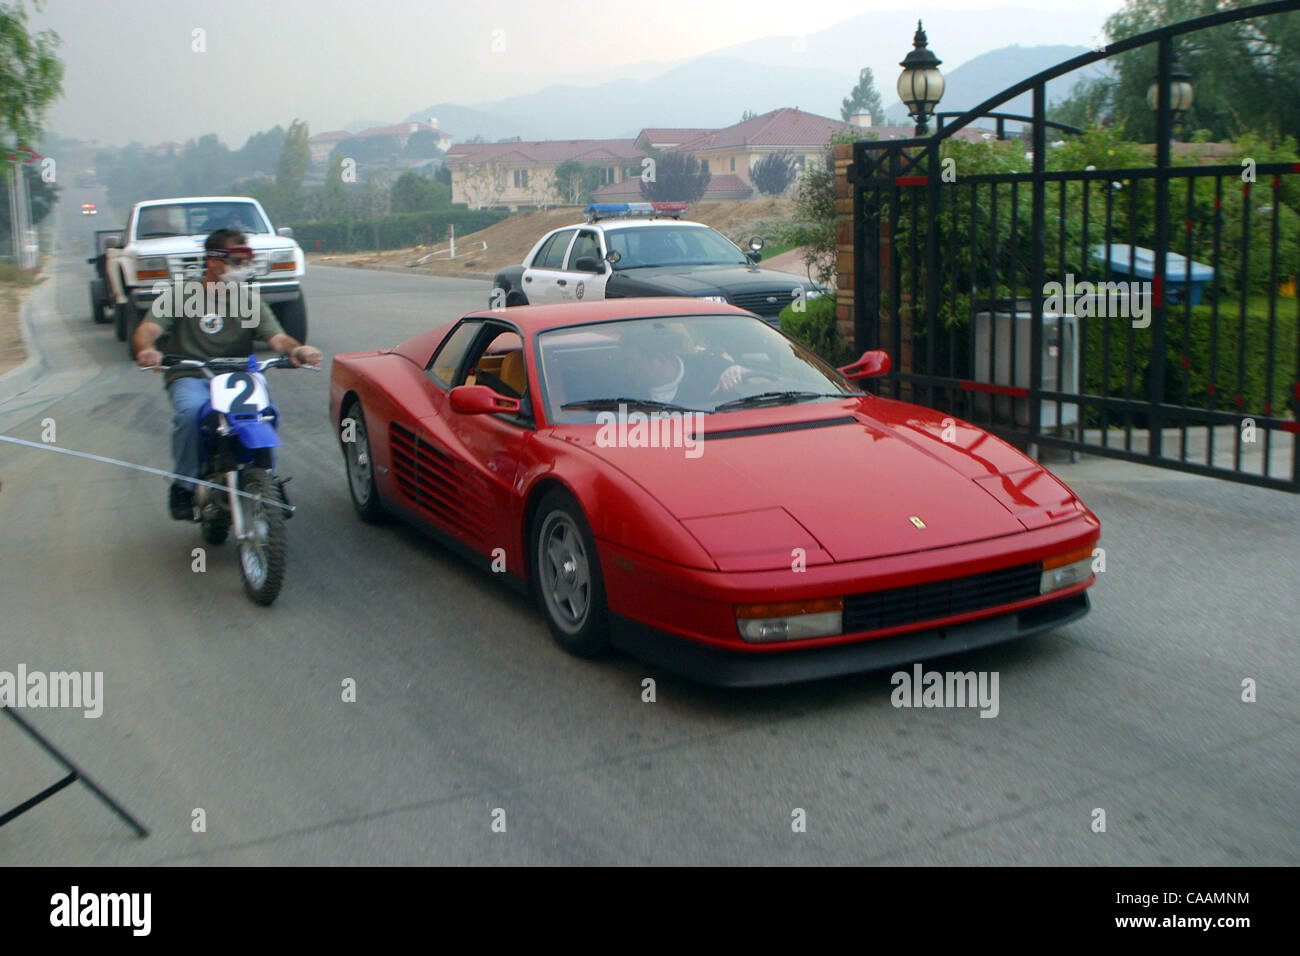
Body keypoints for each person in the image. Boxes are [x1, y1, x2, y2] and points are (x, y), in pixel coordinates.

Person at [133, 228, 323, 519]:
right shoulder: (181, 294)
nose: (243, 268)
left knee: (265, 413)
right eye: (236, 260)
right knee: (190, 414)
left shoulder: (247, 300)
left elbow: (277, 338)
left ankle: (267, 476)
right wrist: (147, 349)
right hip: (191, 375)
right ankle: (184, 484)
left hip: (237, 377)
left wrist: (297, 350)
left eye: (246, 260)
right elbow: (148, 330)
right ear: (212, 261)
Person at [618, 323, 746, 407]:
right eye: (625, 363)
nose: (628, 370)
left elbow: (760, 382)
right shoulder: (621, 390)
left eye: (632, 362)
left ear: (660, 359)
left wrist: (738, 371)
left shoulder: (711, 368)